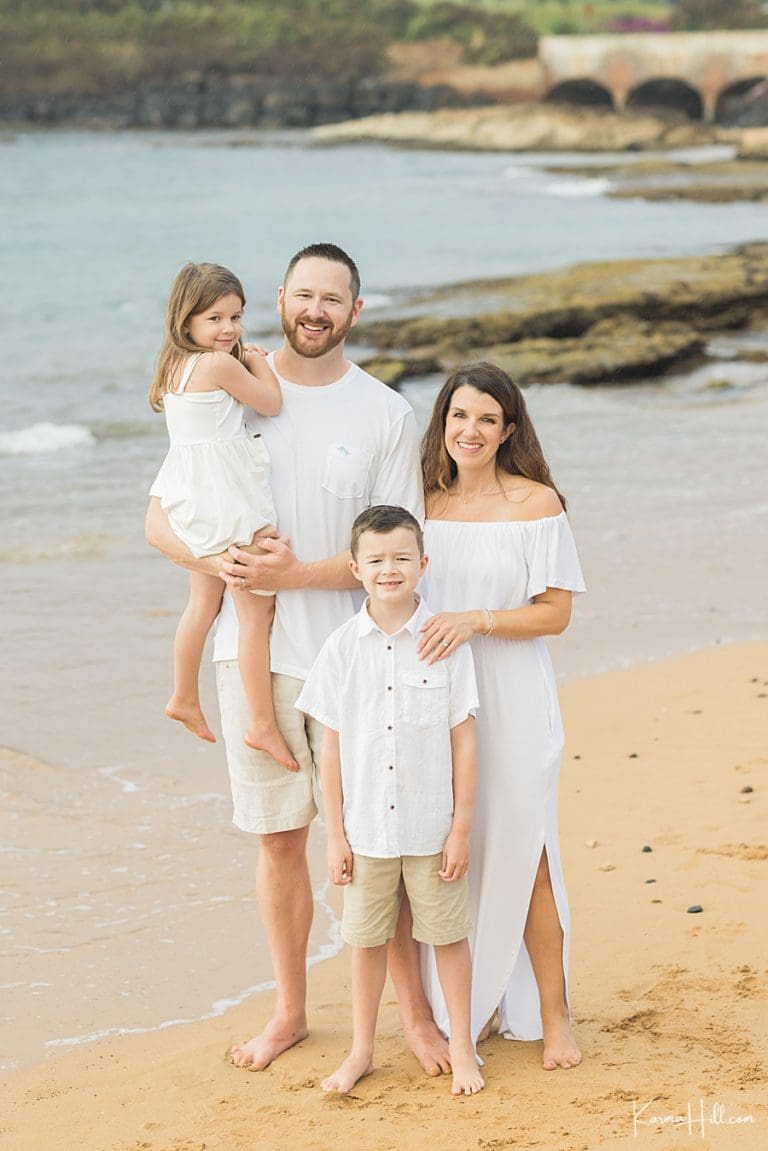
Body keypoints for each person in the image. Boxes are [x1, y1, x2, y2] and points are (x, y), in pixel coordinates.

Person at [145, 244, 449, 1075]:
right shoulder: (221, 379)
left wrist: (293, 573)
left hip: (360, 662)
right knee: (279, 841)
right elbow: (159, 519)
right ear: (280, 298)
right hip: (260, 664)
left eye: (333, 299)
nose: (315, 310)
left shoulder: (384, 412)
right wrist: (224, 567)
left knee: (379, 845)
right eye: (303, 294)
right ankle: (290, 1011)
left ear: (356, 310)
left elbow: (403, 549)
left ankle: (415, 1016)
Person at [416, 361, 585, 1071]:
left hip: (514, 697)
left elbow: (557, 612)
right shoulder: (424, 504)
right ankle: (473, 1004)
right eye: (459, 416)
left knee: (527, 849)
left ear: (509, 428)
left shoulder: (536, 504)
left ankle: (554, 1014)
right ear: (443, 424)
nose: (471, 430)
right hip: (440, 701)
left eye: (487, 418)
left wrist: (478, 619)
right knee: (456, 855)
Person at [296, 506, 484, 1097]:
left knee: (448, 936)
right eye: (376, 560)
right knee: (365, 941)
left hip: (432, 828)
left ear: (423, 564)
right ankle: (361, 1051)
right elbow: (330, 747)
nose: (389, 569)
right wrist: (334, 835)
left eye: (402, 558)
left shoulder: (443, 643)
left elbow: (465, 740)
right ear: (356, 568)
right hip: (366, 830)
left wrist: (460, 829)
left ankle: (461, 1047)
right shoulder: (340, 648)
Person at [149, 261, 297, 771]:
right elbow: (271, 403)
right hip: (227, 497)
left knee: (202, 605)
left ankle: (183, 695)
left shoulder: (174, 365)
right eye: (214, 318)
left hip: (189, 497)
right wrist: (259, 362)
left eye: (236, 316)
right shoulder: (217, 365)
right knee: (257, 611)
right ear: (185, 319)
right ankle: (260, 723)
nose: (229, 329)